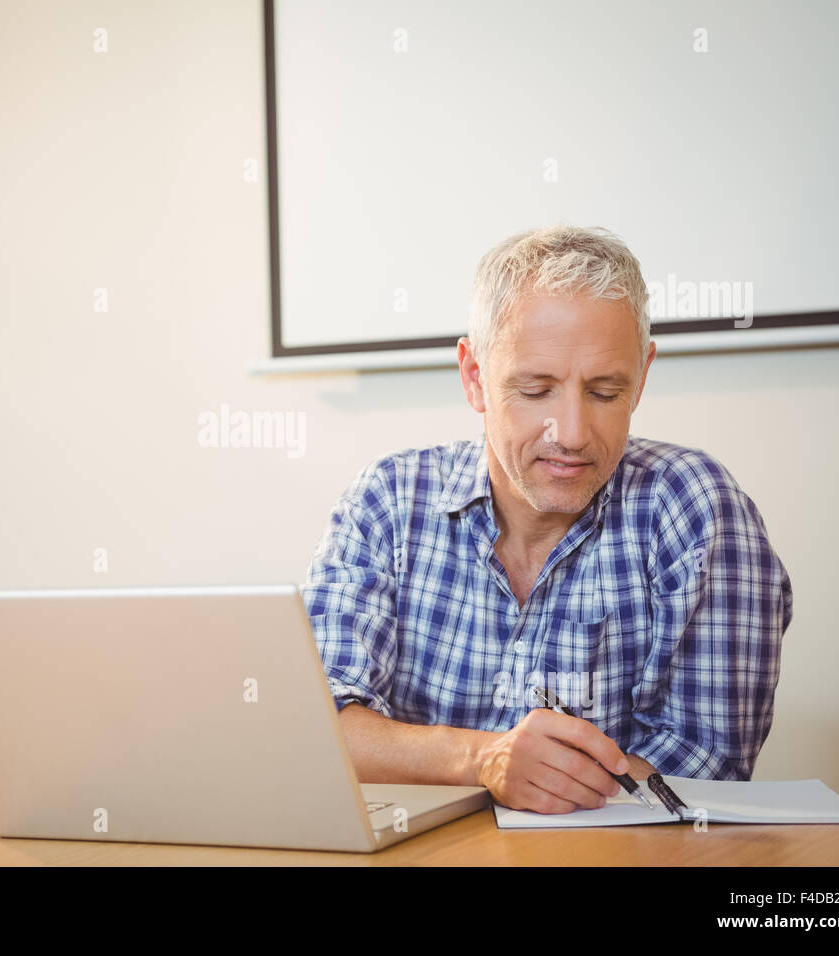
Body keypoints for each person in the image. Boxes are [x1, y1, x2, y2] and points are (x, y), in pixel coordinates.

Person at [302, 224, 793, 814]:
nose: (573, 435)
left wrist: (425, 756)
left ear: (642, 377)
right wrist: (484, 759)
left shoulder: (697, 510)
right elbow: (318, 729)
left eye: (606, 393)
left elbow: (708, 768)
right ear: (475, 377)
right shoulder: (386, 501)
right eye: (536, 390)